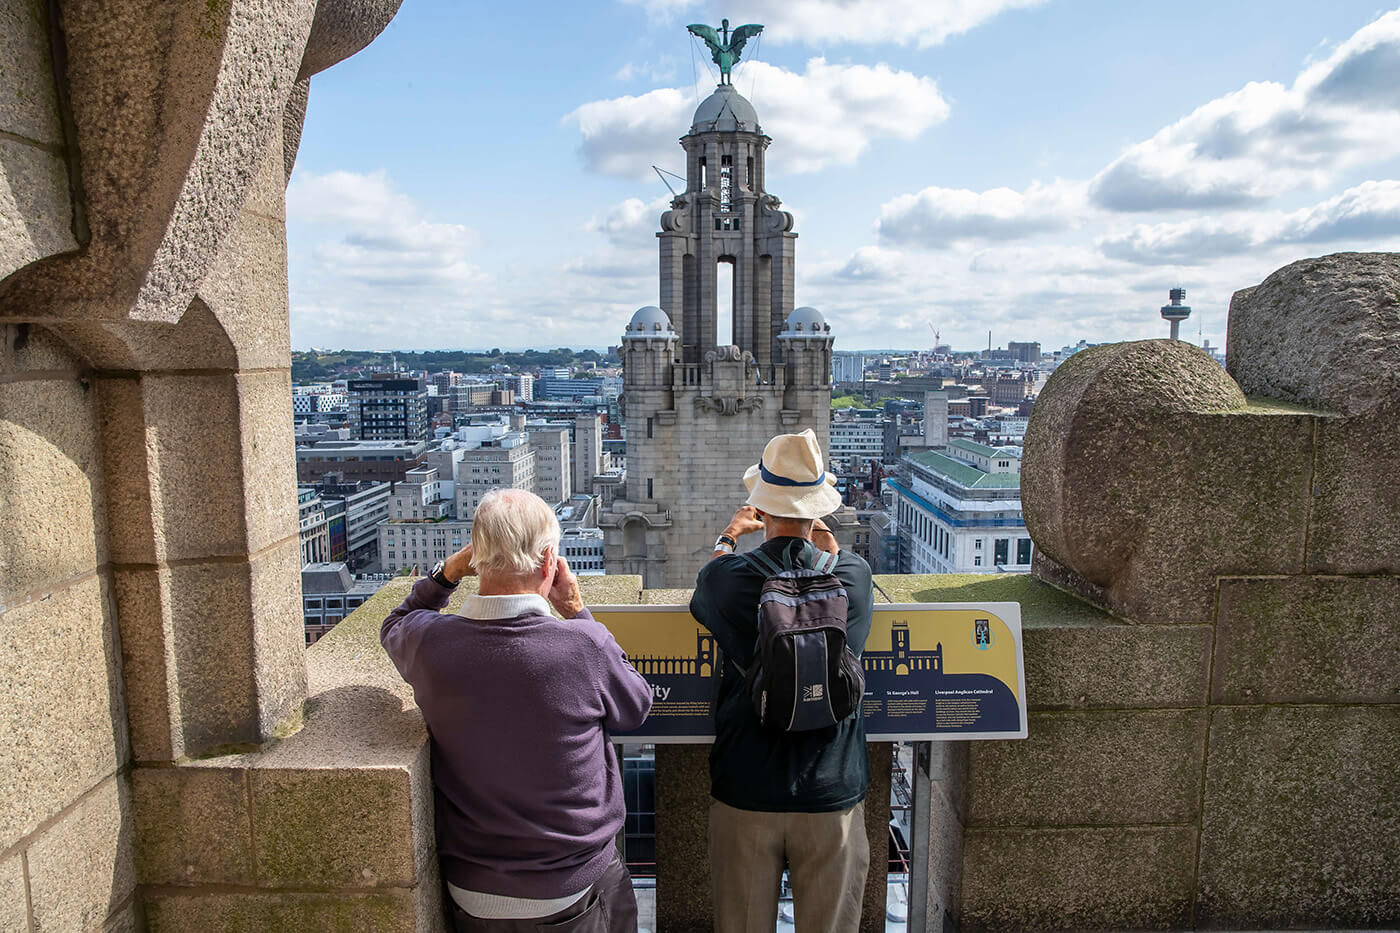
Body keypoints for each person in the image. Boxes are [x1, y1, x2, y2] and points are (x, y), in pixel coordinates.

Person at [381, 488, 652, 932]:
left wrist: (446, 574)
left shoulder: (429, 642)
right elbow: (635, 707)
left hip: (472, 888)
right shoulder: (584, 645)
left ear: (475, 560)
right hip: (573, 883)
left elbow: (394, 621)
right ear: (550, 562)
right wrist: (577, 611)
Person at [689, 429, 875, 933]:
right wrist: (829, 549)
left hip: (746, 782)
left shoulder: (728, 581)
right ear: (817, 510)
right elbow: (846, 580)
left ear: (761, 508)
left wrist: (729, 536)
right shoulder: (852, 578)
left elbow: (708, 587)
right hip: (831, 785)